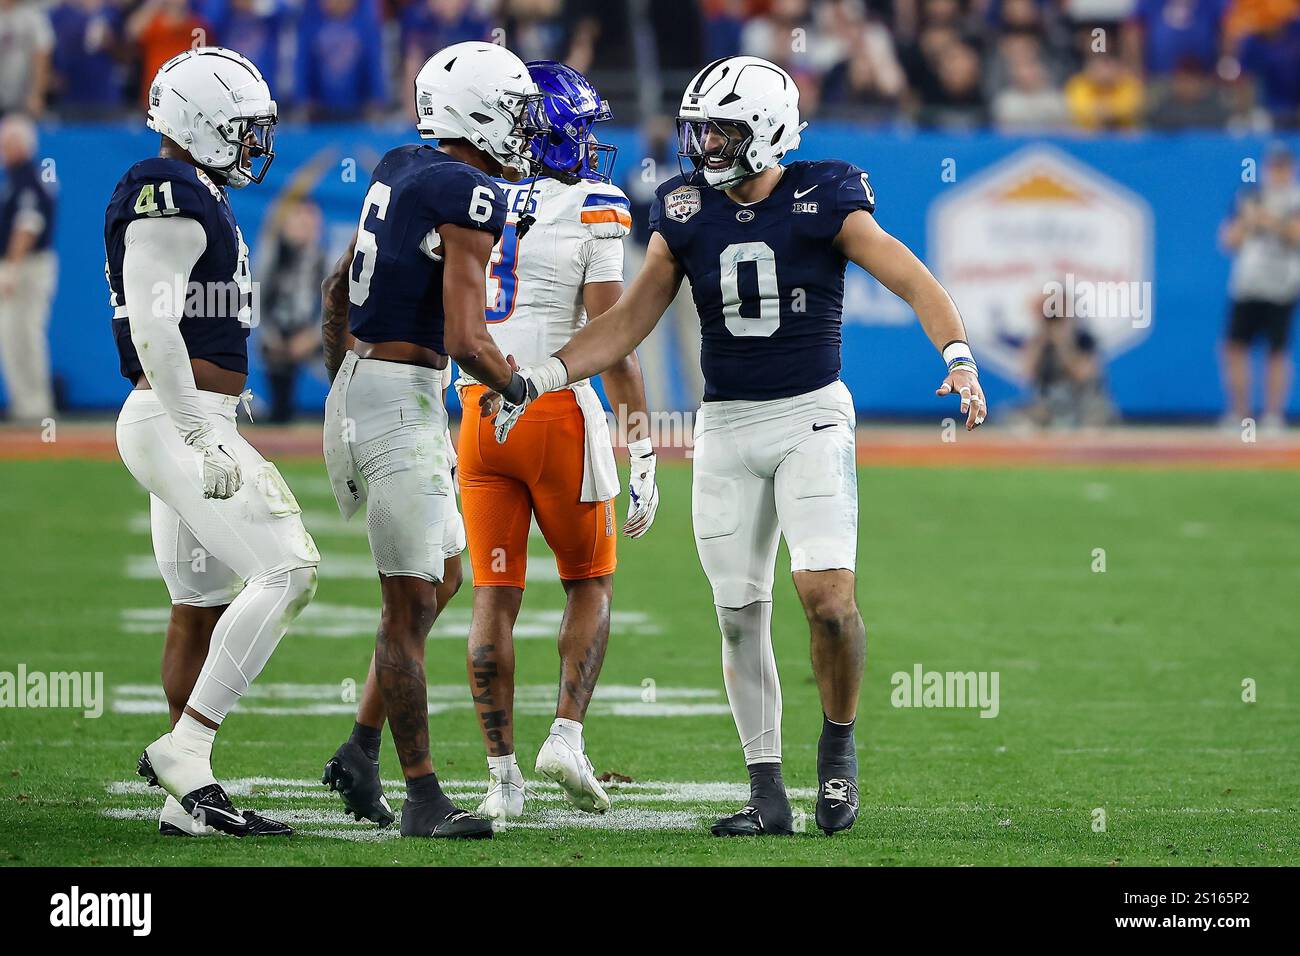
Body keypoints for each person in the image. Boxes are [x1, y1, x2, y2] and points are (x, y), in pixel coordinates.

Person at [488, 55, 987, 838]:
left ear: (770, 131)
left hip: (811, 416)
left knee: (828, 601)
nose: (707, 145)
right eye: (702, 129)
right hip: (725, 427)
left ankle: (837, 754)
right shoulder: (685, 209)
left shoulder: (828, 193)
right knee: (736, 615)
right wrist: (541, 376)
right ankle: (766, 791)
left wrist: (955, 355)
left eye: (723, 130)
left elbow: (914, 279)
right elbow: (627, 325)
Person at [318, 41, 549, 839]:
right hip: (398, 396)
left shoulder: (400, 164)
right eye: (515, 110)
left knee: (443, 580)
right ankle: (421, 798)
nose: (525, 129)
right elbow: (466, 336)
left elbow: (338, 281)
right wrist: (528, 386)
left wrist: (343, 379)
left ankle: (358, 747)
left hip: (377, 385)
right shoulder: (467, 189)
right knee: (408, 601)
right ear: (477, 111)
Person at [109, 47, 319, 837]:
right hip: (176, 419)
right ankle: (188, 750)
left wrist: (219, 406)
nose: (253, 144)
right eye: (241, 128)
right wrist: (202, 430)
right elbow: (154, 316)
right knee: (291, 569)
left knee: (198, 605)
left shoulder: (195, 190)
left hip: (187, 413)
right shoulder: (167, 190)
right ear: (198, 122)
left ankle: (183, 808)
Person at [454, 60, 657, 819]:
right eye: (584, 125)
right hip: (552, 411)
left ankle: (498, 776)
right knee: (589, 581)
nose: (592, 140)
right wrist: (642, 450)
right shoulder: (595, 204)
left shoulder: (468, 193)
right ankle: (565, 735)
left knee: (493, 599)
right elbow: (615, 342)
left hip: (477, 415)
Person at [1219, 143, 1300, 433]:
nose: (1278, 173)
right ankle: (1240, 414)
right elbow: (1227, 240)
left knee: (1277, 351)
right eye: (1273, 167)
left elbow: (1295, 234)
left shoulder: (1295, 197)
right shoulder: (1250, 195)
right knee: (1234, 348)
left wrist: (1267, 219)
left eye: (1283, 167)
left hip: (1282, 285)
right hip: (1248, 283)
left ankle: (1273, 415)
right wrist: (1246, 223)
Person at [0, 114, 57, 423]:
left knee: (24, 335)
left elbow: (28, 225)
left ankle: (35, 408)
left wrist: (11, 267)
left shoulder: (30, 178)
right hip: (23, 265)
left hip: (28, 266)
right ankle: (25, 404)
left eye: (7, 142)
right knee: (12, 336)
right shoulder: (18, 178)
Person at [256, 196, 326, 423]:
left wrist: (312, 337)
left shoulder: (325, 260)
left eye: (310, 220)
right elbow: (256, 302)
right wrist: (271, 336)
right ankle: (278, 415)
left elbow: (334, 309)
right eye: (298, 218)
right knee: (274, 358)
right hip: (278, 334)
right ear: (285, 224)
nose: (304, 225)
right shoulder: (271, 257)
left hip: (314, 335)